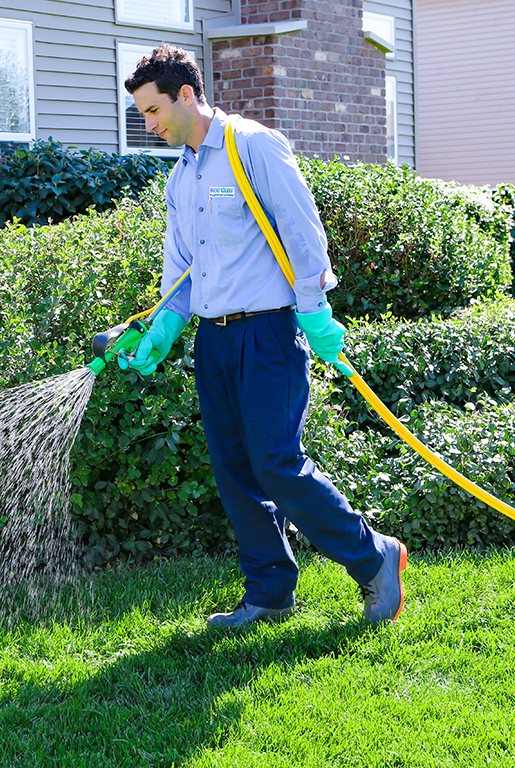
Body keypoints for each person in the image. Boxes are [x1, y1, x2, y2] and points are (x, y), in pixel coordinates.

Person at [120, 43, 406, 627]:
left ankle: (374, 556)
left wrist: (315, 312)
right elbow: (182, 269)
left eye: (153, 111)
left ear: (186, 95)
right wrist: (164, 328)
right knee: (234, 471)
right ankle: (269, 593)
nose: (148, 125)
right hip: (214, 341)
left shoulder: (252, 146)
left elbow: (302, 232)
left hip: (269, 333)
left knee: (276, 463)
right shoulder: (180, 179)